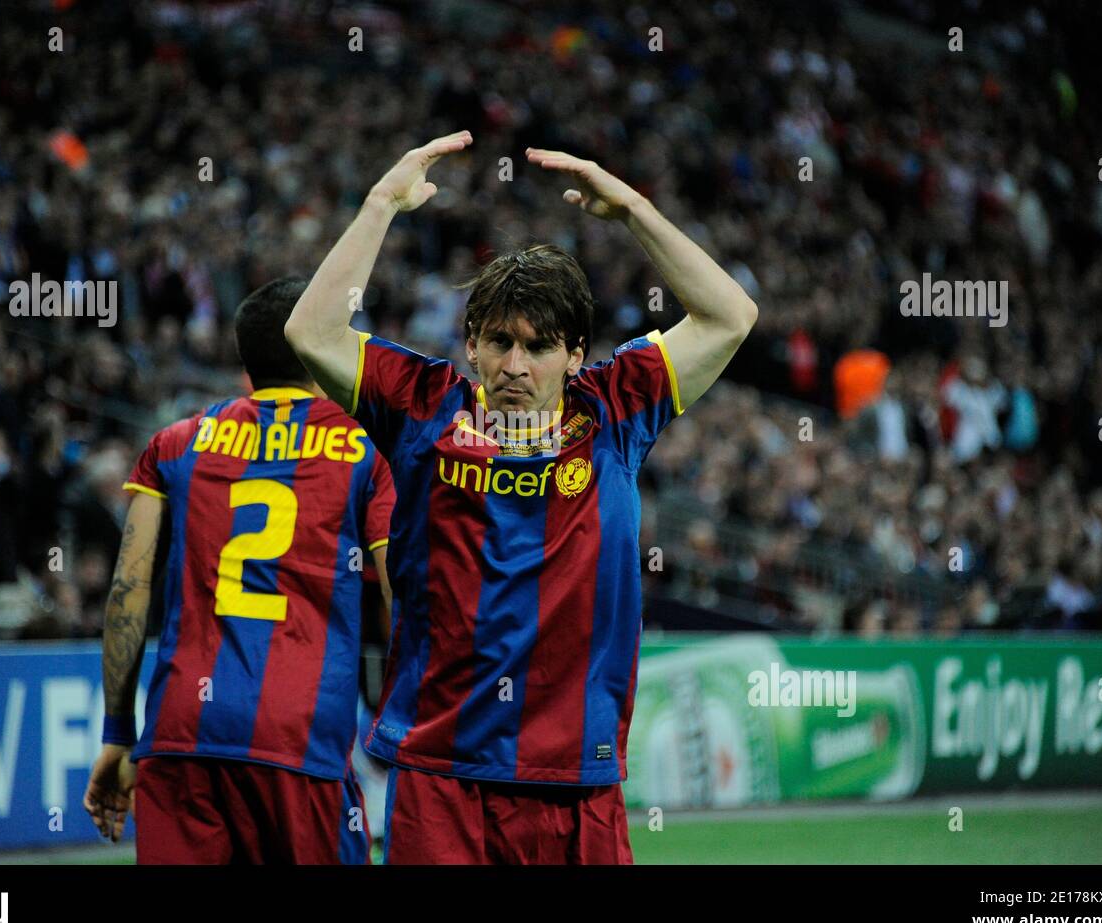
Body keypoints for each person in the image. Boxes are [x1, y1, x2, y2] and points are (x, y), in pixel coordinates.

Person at [284, 131, 758, 863]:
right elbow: (310, 330)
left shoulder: (617, 409)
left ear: (574, 354)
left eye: (538, 347)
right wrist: (382, 202)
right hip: (443, 776)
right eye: (499, 341)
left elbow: (731, 314)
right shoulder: (422, 407)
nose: (515, 365)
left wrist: (631, 207)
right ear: (469, 342)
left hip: (578, 779)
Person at [82, 277, 395, 864]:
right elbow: (400, 591)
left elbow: (126, 589)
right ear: (320, 345)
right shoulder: (366, 450)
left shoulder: (174, 445)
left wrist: (117, 732)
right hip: (300, 738)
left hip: (182, 736)